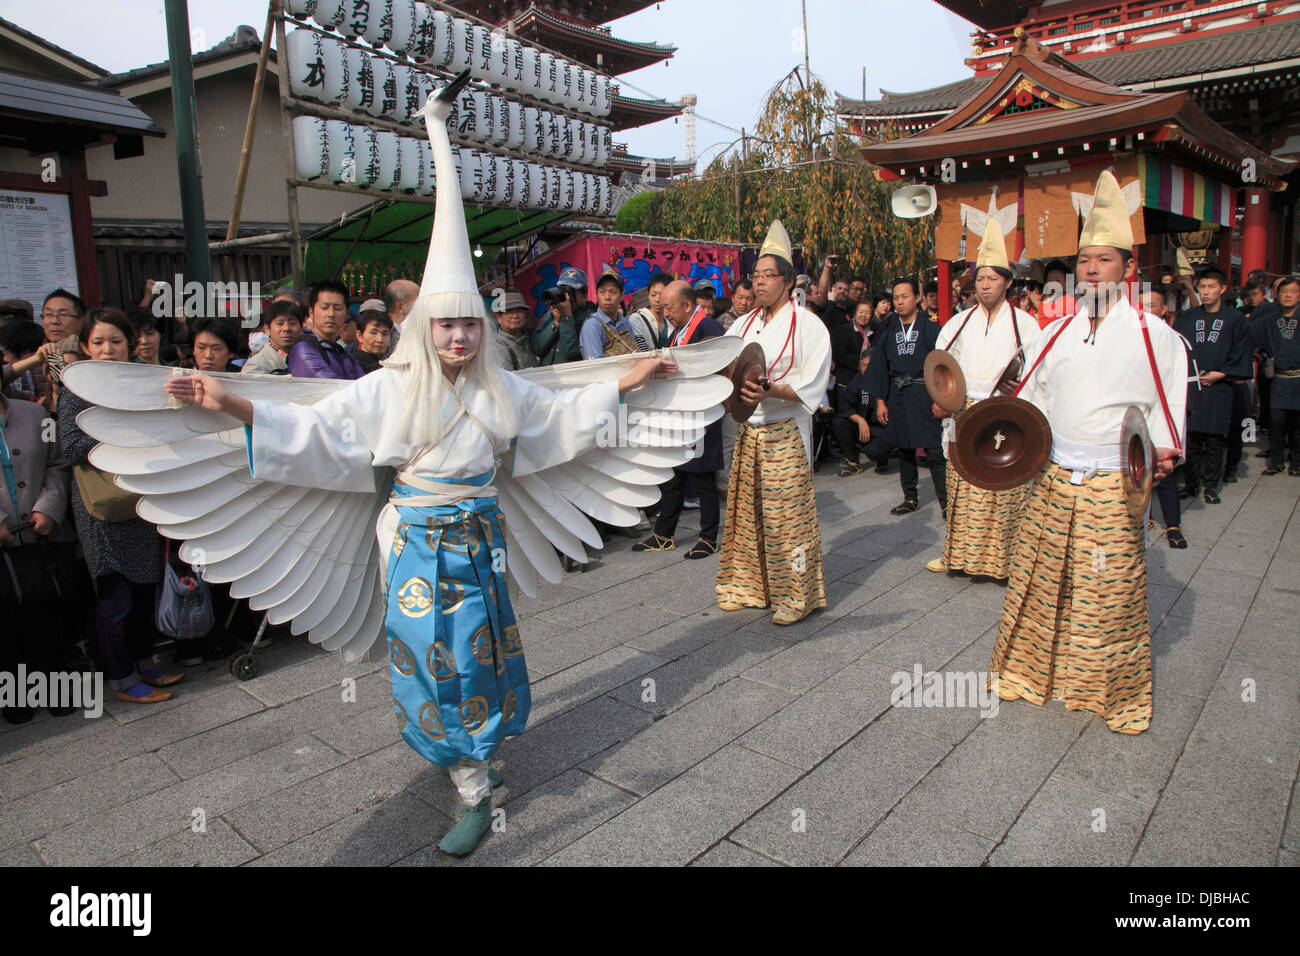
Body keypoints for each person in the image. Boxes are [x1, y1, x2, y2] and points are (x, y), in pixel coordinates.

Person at [159, 79, 681, 856]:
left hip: (480, 539)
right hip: (412, 545)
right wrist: (230, 402)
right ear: (425, 329)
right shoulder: (388, 390)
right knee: (430, 670)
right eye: (448, 325)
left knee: (485, 660)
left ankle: (479, 768)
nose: (462, 338)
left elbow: (561, 418)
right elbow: (316, 431)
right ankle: (471, 779)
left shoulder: (502, 389)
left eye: (472, 324)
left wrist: (628, 379)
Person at [990, 170, 1187, 736]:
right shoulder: (1052, 335)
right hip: (1053, 478)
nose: (1091, 269)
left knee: (1111, 591)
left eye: (1103, 259)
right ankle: (1031, 675)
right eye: (1084, 261)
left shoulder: (1157, 337)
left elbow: (1166, 419)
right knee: (1039, 579)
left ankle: (1112, 695)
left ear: (1126, 267)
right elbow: (1028, 408)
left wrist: (1157, 460)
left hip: (1111, 481)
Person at [59, 309, 181, 704]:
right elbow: (72, 447)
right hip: (103, 508)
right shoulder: (75, 390)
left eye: (115, 341)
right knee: (116, 600)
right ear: (84, 347)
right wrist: (122, 435)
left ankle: (145, 664)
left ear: (130, 343)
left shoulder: (141, 382)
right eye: (98, 342)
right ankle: (123, 680)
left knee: (144, 590)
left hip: (141, 498)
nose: (107, 350)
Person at [715, 220, 831, 626]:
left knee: (788, 518)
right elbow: (724, 366)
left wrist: (771, 391)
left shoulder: (810, 325)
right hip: (749, 430)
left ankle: (798, 596)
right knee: (746, 514)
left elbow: (813, 382)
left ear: (788, 281)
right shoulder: (743, 324)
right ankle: (748, 587)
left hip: (785, 430)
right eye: (755, 276)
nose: (760, 284)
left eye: (768, 276)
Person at [926, 219, 1040, 576]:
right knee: (962, 486)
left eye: (992, 278)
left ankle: (1005, 563)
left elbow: (1037, 373)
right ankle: (958, 557)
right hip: (963, 412)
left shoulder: (1027, 324)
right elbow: (941, 364)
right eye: (980, 279)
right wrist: (941, 397)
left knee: (1004, 488)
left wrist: (1017, 386)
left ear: (1007, 282)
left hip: (1004, 414)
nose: (985, 285)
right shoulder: (958, 322)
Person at [0, 387, 77, 722]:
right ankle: (15, 702)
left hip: (39, 535)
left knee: (47, 615)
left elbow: (57, 463)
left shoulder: (35, 415)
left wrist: (48, 508)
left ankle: (58, 693)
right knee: (5, 625)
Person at [632, 282, 724, 559]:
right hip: (680, 416)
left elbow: (720, 368)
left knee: (704, 478)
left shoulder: (709, 329)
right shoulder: (677, 332)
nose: (666, 312)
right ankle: (664, 535)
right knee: (673, 477)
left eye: (669, 307)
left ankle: (708, 538)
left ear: (687, 305)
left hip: (703, 414)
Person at [867, 277, 947, 516]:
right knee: (904, 447)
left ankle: (946, 503)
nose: (900, 302)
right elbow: (879, 365)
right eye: (896, 298)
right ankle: (910, 497)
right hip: (898, 395)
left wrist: (940, 398)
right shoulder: (889, 330)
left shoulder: (931, 328)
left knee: (934, 450)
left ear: (917, 298)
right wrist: (881, 401)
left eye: (905, 297)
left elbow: (943, 364)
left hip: (925, 393)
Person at [1173, 267, 1252, 504]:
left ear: (1222, 289)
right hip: (1192, 384)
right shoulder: (1187, 317)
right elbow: (1176, 347)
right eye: (1202, 287)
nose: (1205, 292)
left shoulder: (1235, 319)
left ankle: (1210, 486)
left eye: (1211, 287)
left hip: (1220, 387)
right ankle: (1191, 484)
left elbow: (1241, 350)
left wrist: (1221, 373)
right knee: (1192, 438)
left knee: (1215, 439)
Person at [1141, 288, 1189, 548]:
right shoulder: (1131, 336)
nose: (1146, 310)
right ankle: (1143, 517)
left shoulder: (1172, 339)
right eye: (1142, 305)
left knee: (1165, 470)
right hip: (1136, 415)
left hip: (1160, 412)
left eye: (1151, 305)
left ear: (1163, 310)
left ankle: (1173, 524)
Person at [1254, 275, 1300, 476]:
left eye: (1293, 291)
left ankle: (1297, 464)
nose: (1288, 295)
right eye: (1284, 291)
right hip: (1279, 379)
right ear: (1277, 294)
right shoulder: (1268, 319)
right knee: (1276, 422)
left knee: (1298, 426)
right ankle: (1276, 462)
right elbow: (1248, 334)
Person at [289, 279, 364, 380]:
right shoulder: (303, 349)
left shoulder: (344, 354)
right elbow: (331, 387)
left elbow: (364, 385)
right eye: (324, 307)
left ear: (346, 314)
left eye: (337, 308)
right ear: (311, 313)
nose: (331, 314)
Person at [834, 347, 891, 476]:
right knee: (840, 422)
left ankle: (883, 457)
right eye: (863, 365)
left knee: (874, 451)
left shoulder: (887, 379)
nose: (865, 369)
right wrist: (860, 420)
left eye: (869, 365)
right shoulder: (858, 379)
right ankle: (853, 462)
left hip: (885, 429)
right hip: (865, 425)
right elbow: (845, 404)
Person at [579, 270, 649, 358]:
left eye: (612, 292)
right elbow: (595, 366)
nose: (607, 297)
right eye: (602, 292)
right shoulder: (592, 326)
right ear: (596, 295)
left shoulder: (625, 323)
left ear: (621, 295)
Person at [242, 299, 303, 375]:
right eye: (280, 323)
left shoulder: (309, 358)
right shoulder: (256, 365)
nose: (286, 328)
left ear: (301, 328)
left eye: (292, 323)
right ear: (267, 329)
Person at [530, 283, 584, 365]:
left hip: (571, 374)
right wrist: (555, 322)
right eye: (563, 291)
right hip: (546, 374)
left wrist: (567, 316)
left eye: (571, 292)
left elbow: (572, 352)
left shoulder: (588, 317)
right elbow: (536, 348)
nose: (567, 297)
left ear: (584, 295)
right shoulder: (551, 314)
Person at [492, 290, 535, 371]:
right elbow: (507, 379)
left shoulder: (529, 338)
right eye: (509, 312)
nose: (515, 316)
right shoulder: (499, 345)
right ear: (499, 317)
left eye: (519, 311)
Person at [381, 279, 420, 358]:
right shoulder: (386, 334)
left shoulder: (409, 331)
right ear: (401, 306)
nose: (422, 305)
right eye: (418, 300)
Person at [351, 308, 393, 375]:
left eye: (385, 334)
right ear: (360, 336)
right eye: (373, 333)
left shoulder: (387, 364)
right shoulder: (353, 366)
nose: (380, 340)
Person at [633, 272, 671, 346]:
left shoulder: (671, 321)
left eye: (662, 295)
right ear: (648, 295)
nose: (657, 299)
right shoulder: (637, 319)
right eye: (653, 295)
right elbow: (640, 349)